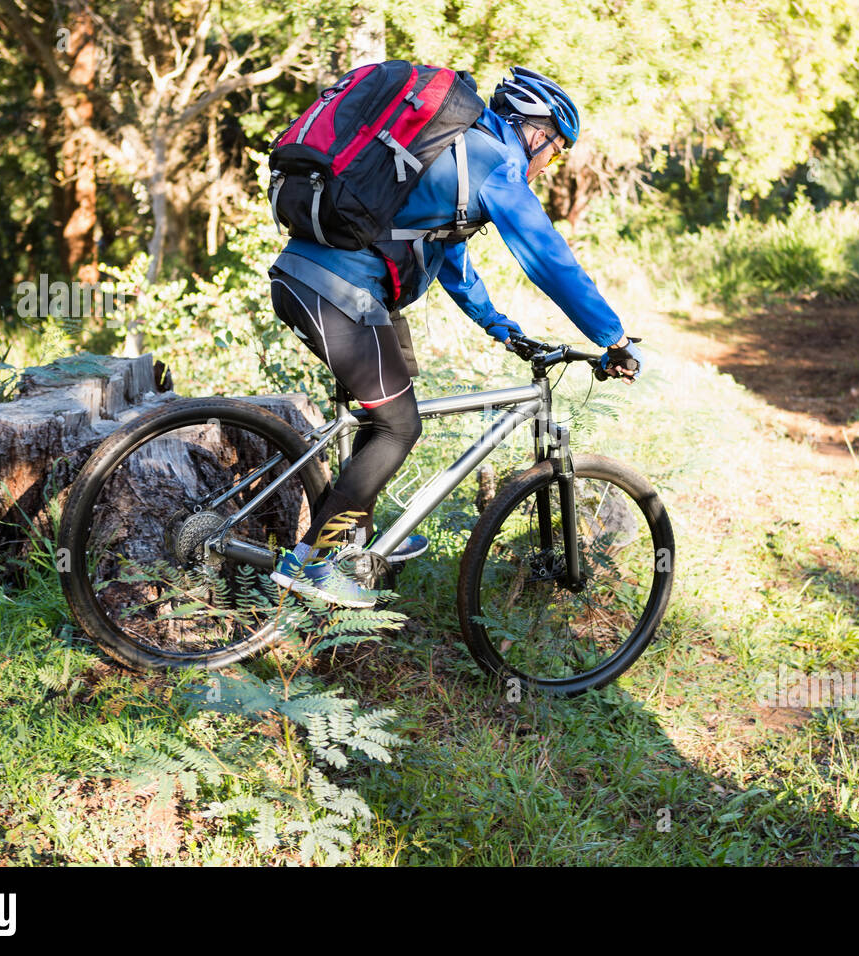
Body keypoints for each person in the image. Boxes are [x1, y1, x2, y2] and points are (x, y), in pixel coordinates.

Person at [268, 65, 644, 607]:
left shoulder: (458, 152)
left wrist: (501, 328)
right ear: (536, 133)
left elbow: (450, 259)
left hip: (315, 281)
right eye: (555, 151)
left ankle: (356, 542)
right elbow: (548, 258)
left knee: (386, 413)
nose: (549, 164)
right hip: (338, 293)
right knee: (399, 428)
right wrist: (612, 338)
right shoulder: (496, 165)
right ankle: (314, 563)